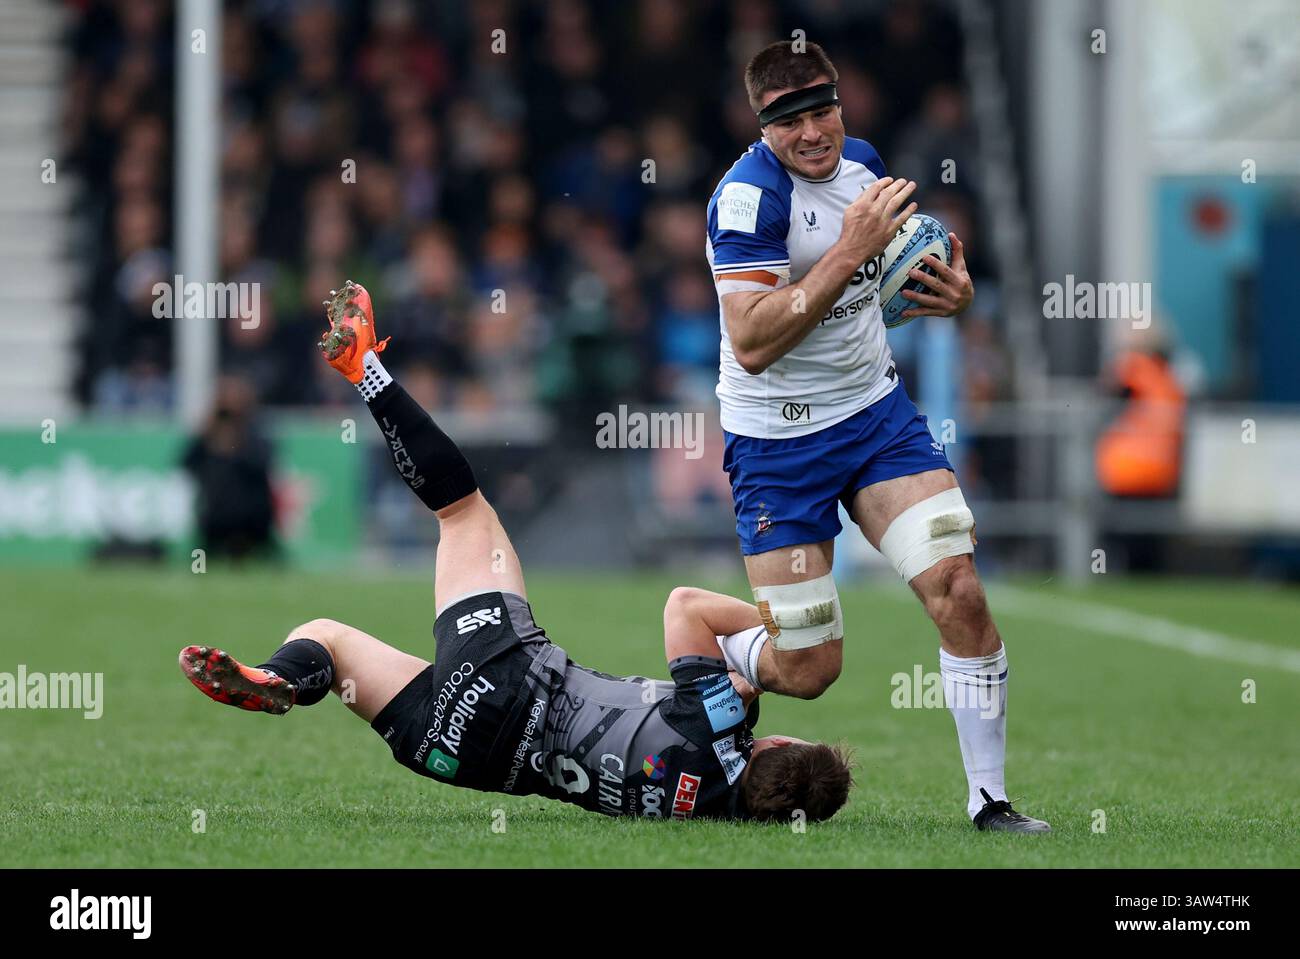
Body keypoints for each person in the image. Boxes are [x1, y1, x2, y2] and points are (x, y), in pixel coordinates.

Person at [178, 281, 852, 823]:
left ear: (786, 745)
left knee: (463, 508)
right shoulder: (712, 811)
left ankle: (365, 368)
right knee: (326, 638)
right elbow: (710, 743)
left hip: (511, 677)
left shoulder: (724, 729)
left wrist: (775, 633)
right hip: (464, 755)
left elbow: (686, 608)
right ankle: (283, 679)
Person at [705, 41, 1048, 832]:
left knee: (959, 590)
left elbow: (892, 282)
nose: (812, 132)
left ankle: (988, 801)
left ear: (841, 102)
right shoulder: (747, 202)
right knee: (811, 667)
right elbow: (753, 342)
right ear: (763, 127)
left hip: (874, 420)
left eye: (821, 109)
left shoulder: (867, 168)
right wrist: (852, 248)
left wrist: (948, 295)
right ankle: (722, 650)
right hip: (776, 444)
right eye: (789, 121)